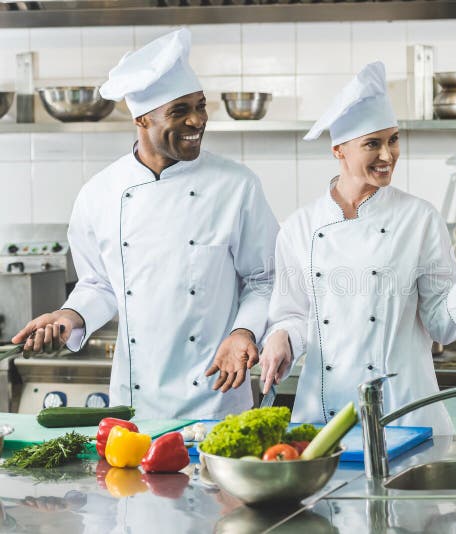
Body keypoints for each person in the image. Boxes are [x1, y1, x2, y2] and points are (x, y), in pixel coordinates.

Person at [260, 62, 456, 435]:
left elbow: (441, 325)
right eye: (372, 143)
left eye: (393, 139)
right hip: (322, 421)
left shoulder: (419, 218)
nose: (388, 155)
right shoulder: (299, 227)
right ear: (339, 151)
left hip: (403, 416)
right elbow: (292, 315)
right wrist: (280, 336)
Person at [11, 28, 279, 420]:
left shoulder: (236, 186)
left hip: (217, 398)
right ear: (141, 119)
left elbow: (265, 279)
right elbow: (100, 284)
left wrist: (244, 332)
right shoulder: (99, 194)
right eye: (179, 110)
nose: (197, 120)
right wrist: (70, 316)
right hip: (135, 407)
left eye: (200, 105)